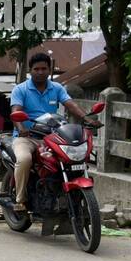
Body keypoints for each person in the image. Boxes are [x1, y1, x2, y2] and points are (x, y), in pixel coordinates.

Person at [9, 52, 93, 212]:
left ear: (49, 69)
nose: (40, 72)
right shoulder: (20, 90)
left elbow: (70, 105)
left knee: (68, 160)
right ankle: (20, 200)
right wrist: (21, 129)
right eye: (36, 69)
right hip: (27, 137)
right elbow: (16, 111)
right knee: (24, 159)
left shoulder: (57, 88)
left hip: (51, 137)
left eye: (44, 68)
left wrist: (86, 118)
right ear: (30, 70)